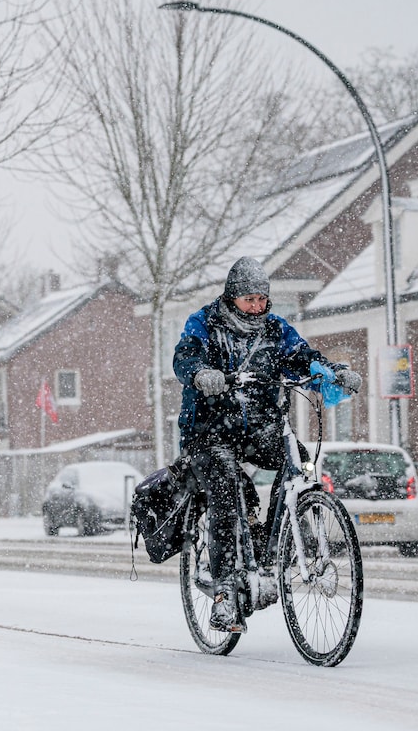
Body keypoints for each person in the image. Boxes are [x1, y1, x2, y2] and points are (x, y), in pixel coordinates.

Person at [173, 256, 361, 633]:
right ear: (232, 297)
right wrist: (202, 374)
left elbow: (301, 355)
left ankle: (268, 543)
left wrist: (331, 371)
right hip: (210, 430)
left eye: (262, 299)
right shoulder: (205, 322)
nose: (257, 306)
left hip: (258, 427)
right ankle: (224, 593)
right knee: (225, 486)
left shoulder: (275, 329)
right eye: (249, 300)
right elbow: (184, 357)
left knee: (299, 462)